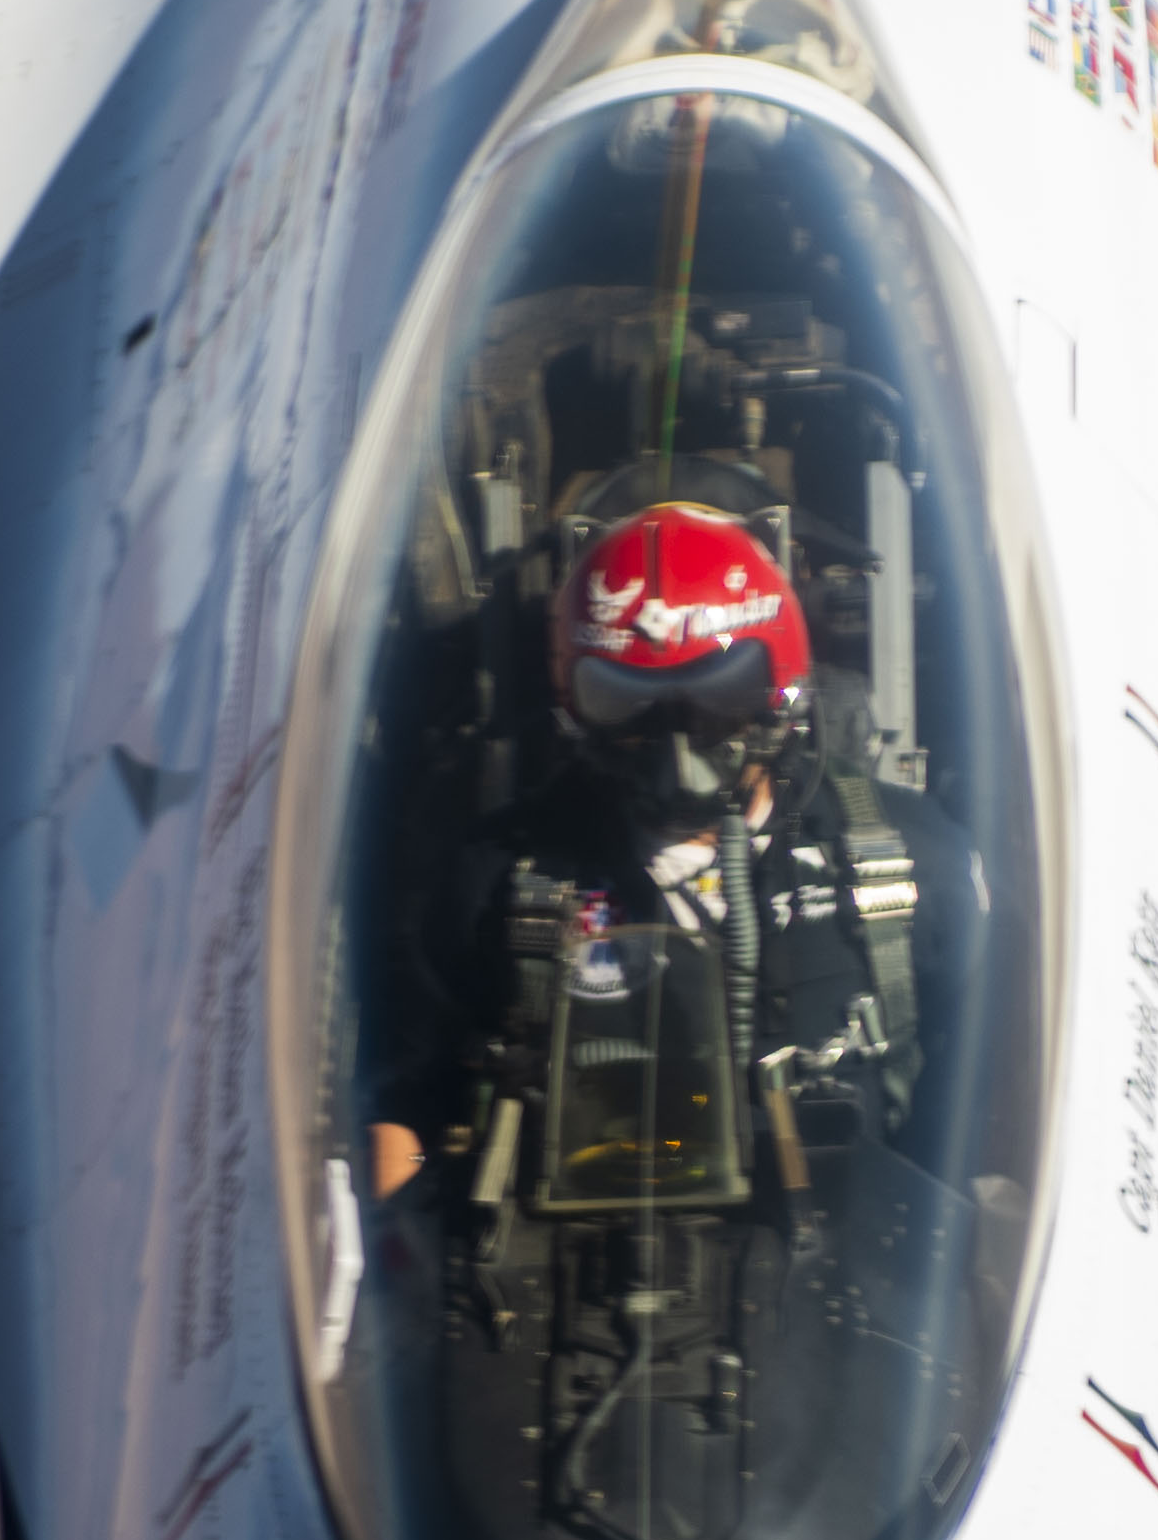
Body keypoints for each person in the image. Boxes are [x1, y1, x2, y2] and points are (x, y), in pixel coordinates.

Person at [368, 501, 896, 1216]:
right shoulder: (495, 883)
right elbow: (412, 1116)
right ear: (576, 708)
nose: (679, 751)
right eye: (630, 708)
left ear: (781, 691)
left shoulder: (904, 871)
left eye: (714, 701)